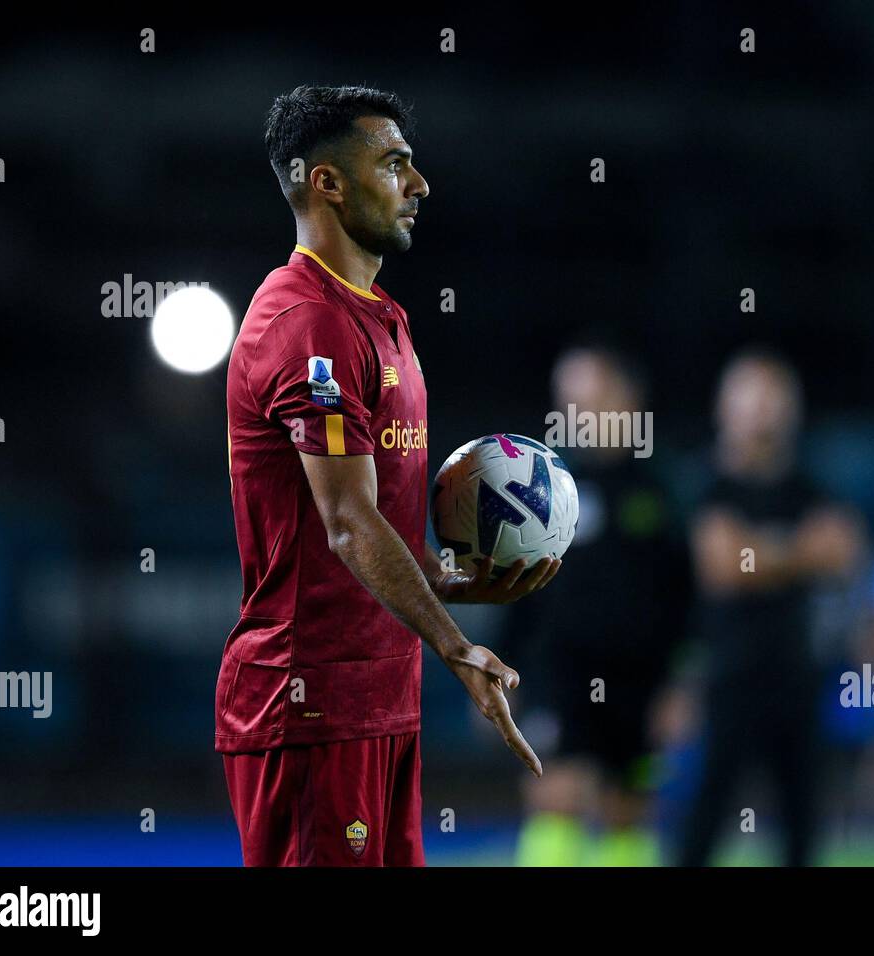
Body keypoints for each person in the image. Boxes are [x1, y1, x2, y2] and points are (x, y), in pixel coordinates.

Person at [218, 85, 559, 867]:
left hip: (377, 698)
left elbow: (374, 533)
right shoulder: (308, 324)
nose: (420, 184)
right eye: (395, 163)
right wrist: (457, 647)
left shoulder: (381, 316)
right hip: (307, 700)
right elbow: (347, 524)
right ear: (327, 183)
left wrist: (454, 582)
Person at [677, 348, 863, 867]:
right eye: (750, 394)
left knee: (804, 827)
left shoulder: (811, 485)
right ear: (724, 406)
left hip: (798, 676)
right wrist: (800, 552)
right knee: (701, 823)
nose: (763, 409)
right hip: (722, 677)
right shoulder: (704, 483)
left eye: (774, 395)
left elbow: (843, 550)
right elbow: (725, 567)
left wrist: (761, 551)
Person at [510, 344, 691, 866]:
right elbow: (514, 588)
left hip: (639, 680)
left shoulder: (661, 490)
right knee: (556, 796)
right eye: (569, 399)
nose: (579, 410)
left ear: (627, 399)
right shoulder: (538, 482)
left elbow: (686, 596)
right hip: (557, 674)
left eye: (591, 395)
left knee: (627, 810)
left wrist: (680, 683)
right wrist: (496, 667)